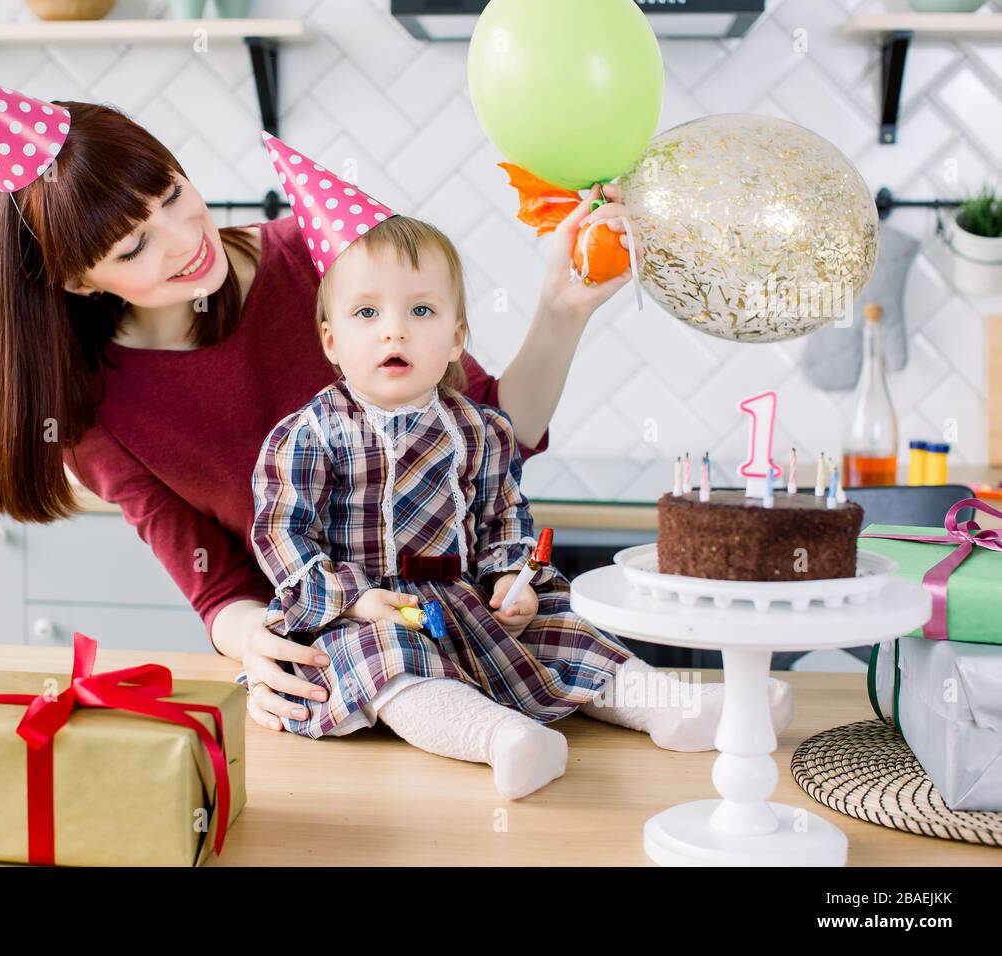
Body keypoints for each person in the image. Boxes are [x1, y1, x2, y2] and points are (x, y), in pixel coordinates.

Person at [0, 57, 639, 735]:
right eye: (132, 248)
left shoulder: (318, 257)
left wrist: (562, 310)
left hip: (472, 611)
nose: (181, 238)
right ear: (78, 281)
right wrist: (253, 643)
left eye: (170, 193)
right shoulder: (97, 418)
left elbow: (491, 432)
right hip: (347, 666)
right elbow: (215, 584)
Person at [245, 138, 792, 798]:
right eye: (367, 313)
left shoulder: (481, 430)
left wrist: (514, 580)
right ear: (331, 340)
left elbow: (506, 521)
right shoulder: (307, 436)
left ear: (454, 337)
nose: (395, 332)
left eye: (421, 311)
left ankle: (678, 708)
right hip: (366, 609)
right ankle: (501, 739)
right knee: (383, 663)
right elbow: (284, 539)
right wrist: (355, 598)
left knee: (563, 629)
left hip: (466, 596)